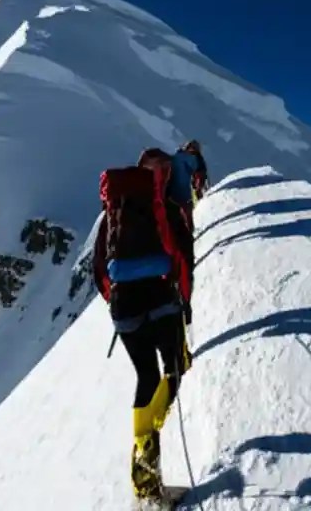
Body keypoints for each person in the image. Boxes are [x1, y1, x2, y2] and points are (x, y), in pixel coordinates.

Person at [94, 148, 193, 502]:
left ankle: (144, 458)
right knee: (176, 368)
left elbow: (99, 271)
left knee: (146, 376)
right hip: (162, 299)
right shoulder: (166, 209)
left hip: (125, 308)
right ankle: (157, 430)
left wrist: (118, 302)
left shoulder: (111, 217)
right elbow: (183, 258)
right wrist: (185, 301)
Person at [168, 140, 209, 231]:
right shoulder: (196, 159)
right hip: (183, 190)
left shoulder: (179, 157)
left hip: (176, 190)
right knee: (186, 210)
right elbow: (201, 173)